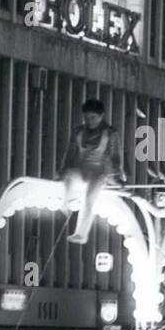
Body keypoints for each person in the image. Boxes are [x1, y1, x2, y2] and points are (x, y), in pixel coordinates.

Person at [60, 99, 126, 244]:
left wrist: (117, 177)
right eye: (86, 118)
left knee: (89, 198)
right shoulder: (78, 132)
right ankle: (67, 202)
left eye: (93, 118)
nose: (89, 121)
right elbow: (70, 153)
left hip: (98, 173)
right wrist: (62, 171)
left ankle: (81, 234)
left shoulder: (110, 133)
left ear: (101, 115)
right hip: (81, 170)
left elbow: (115, 157)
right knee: (69, 175)